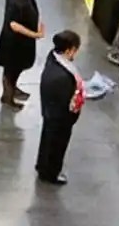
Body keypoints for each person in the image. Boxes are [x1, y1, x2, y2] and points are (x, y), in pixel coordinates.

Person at [0, 0, 45, 110]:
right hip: (14, 42)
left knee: (16, 68)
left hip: (22, 41)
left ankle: (12, 88)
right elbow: (14, 25)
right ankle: (7, 98)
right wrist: (35, 34)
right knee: (11, 69)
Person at [37, 30, 84, 185]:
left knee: (47, 141)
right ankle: (51, 173)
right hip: (59, 117)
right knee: (57, 145)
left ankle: (43, 167)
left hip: (50, 113)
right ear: (69, 50)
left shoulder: (53, 58)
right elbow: (66, 103)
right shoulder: (62, 77)